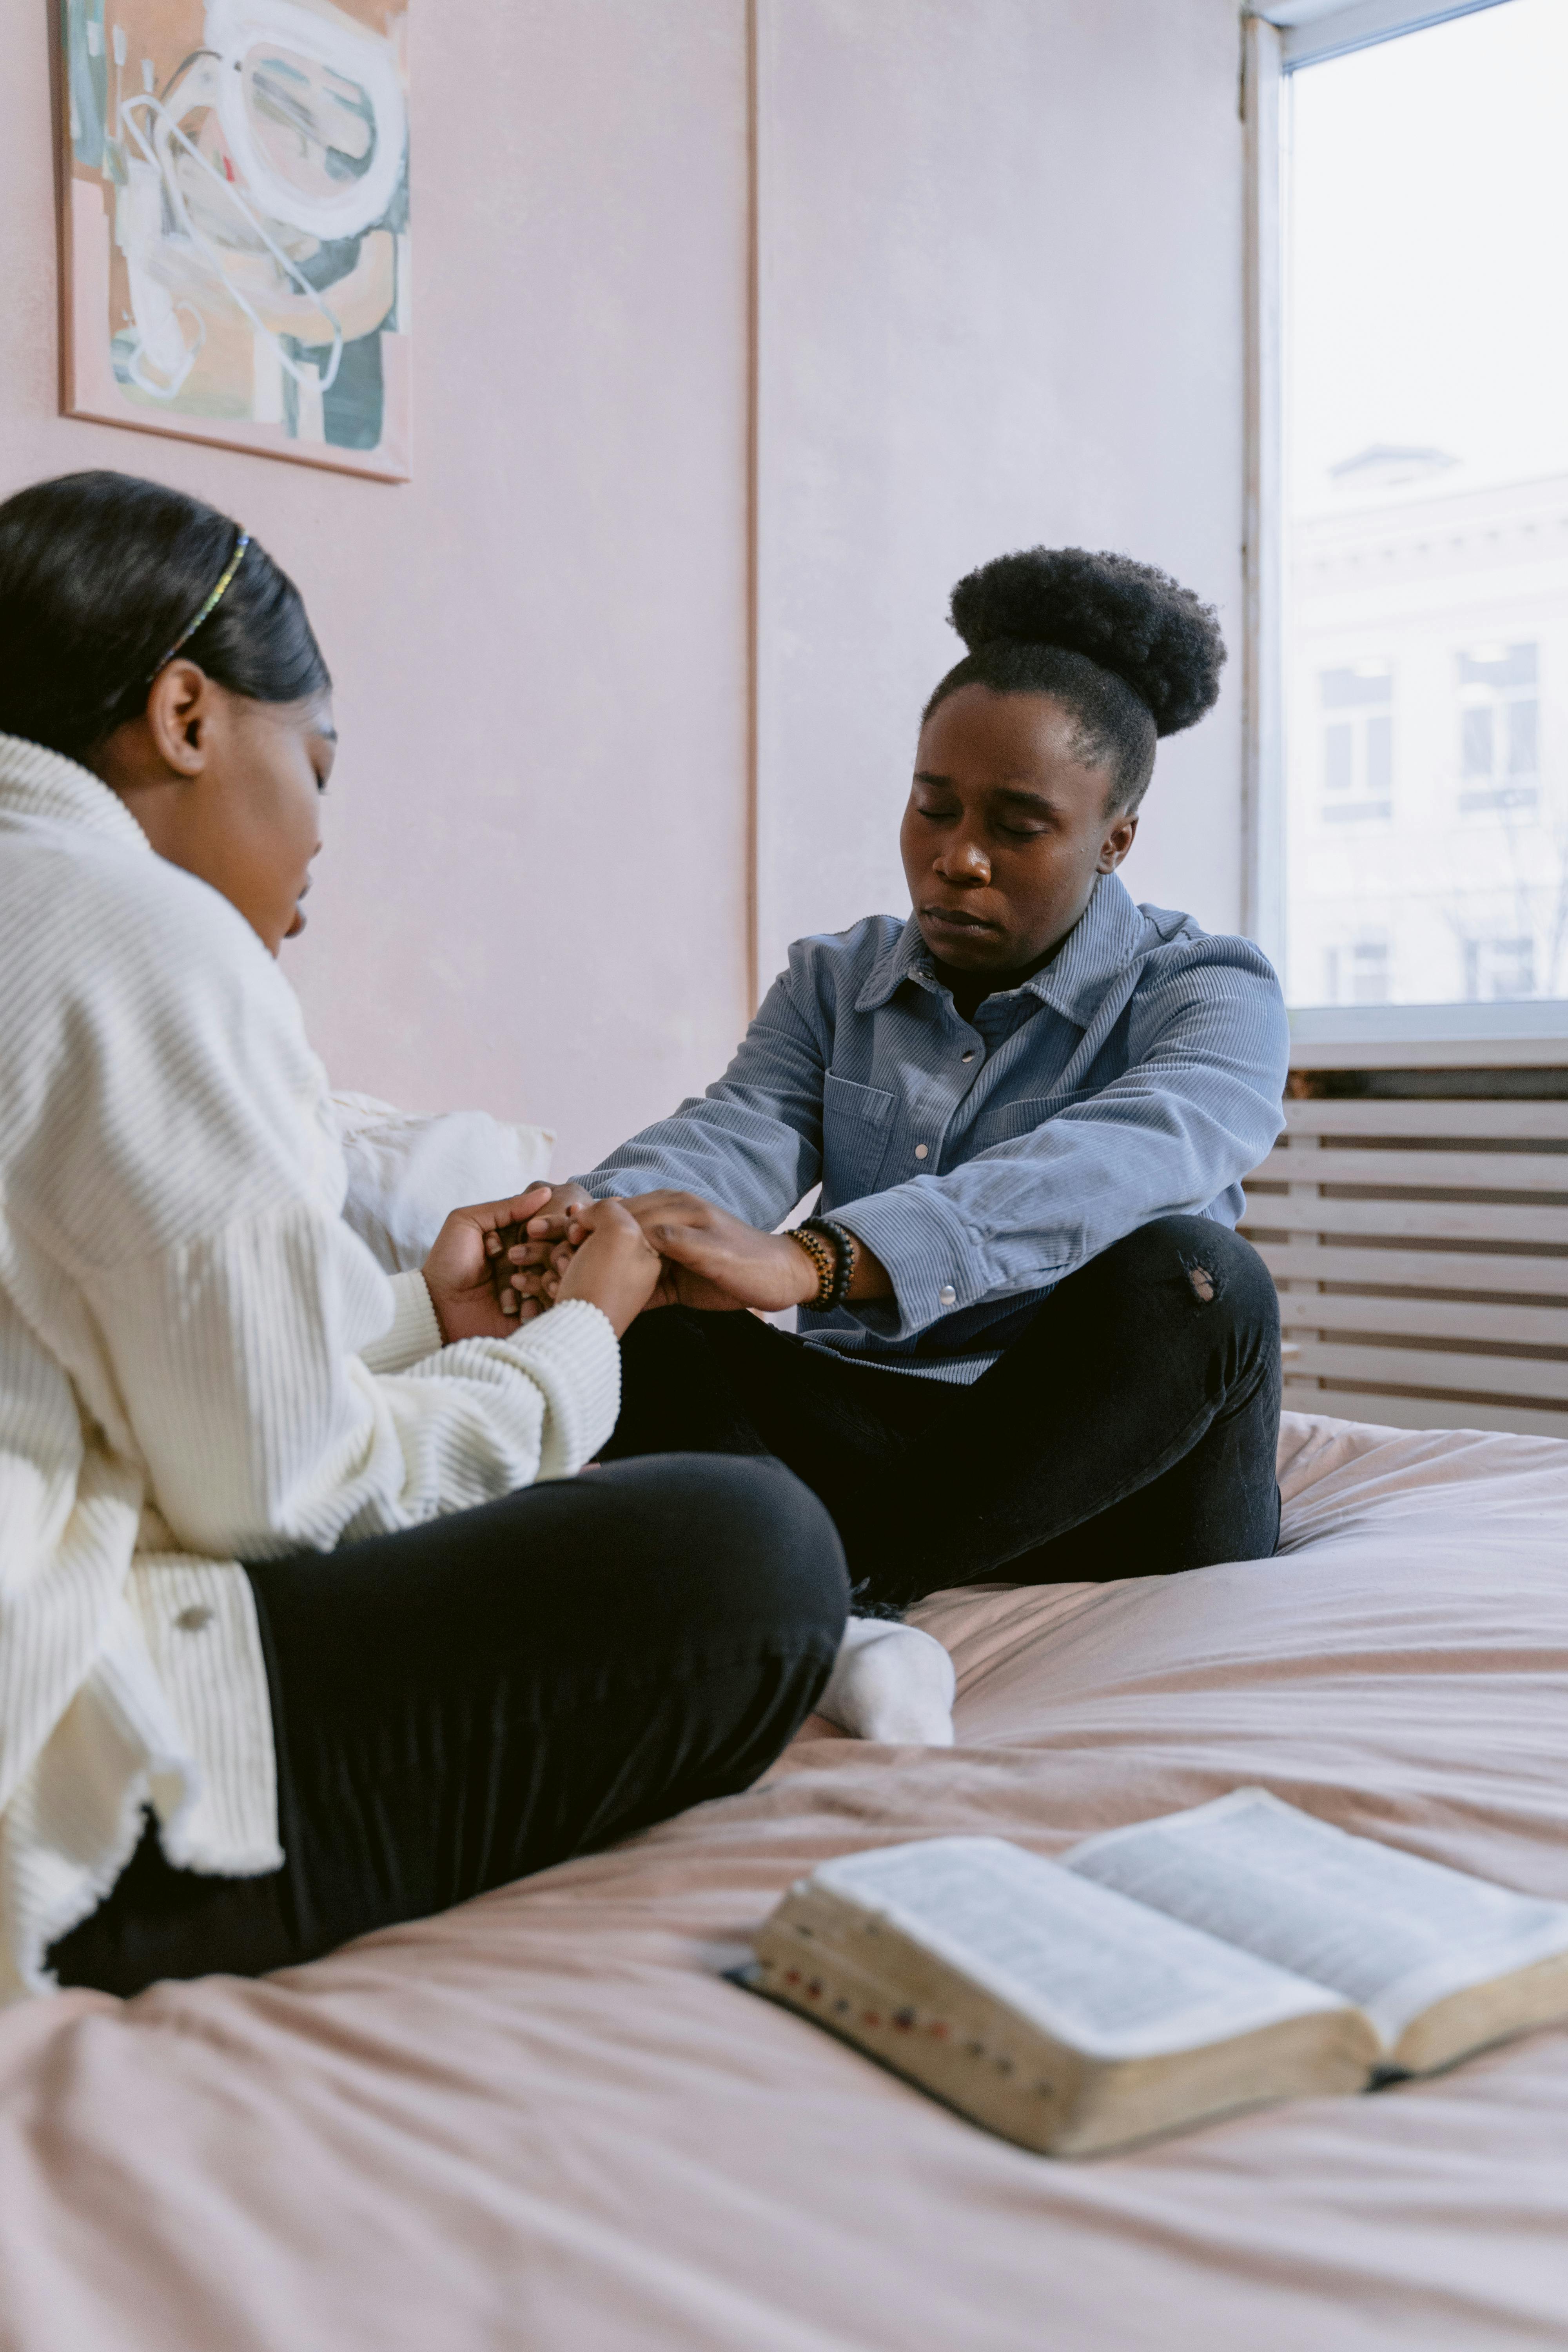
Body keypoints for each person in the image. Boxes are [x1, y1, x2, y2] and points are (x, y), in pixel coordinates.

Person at [0, 470, 859, 2006]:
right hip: (53, 1750)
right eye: (317, 766)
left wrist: (418, 1318)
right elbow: (280, 1495)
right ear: (186, 716)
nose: (321, 839)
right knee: (758, 1549)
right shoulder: (138, 935)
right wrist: (570, 1346)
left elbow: (105, 1341)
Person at [502, 548, 1289, 1610]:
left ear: (1115, 841)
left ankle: (845, 1590)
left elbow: (1119, 1163)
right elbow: (737, 1134)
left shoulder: (1212, 989)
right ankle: (847, 1577)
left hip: (1110, 1478)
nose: (960, 858)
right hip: (866, 1437)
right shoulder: (835, 981)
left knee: (1204, 1279)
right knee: (640, 1300)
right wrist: (580, 1225)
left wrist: (818, 1261)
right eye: (933, 808)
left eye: (1018, 828)